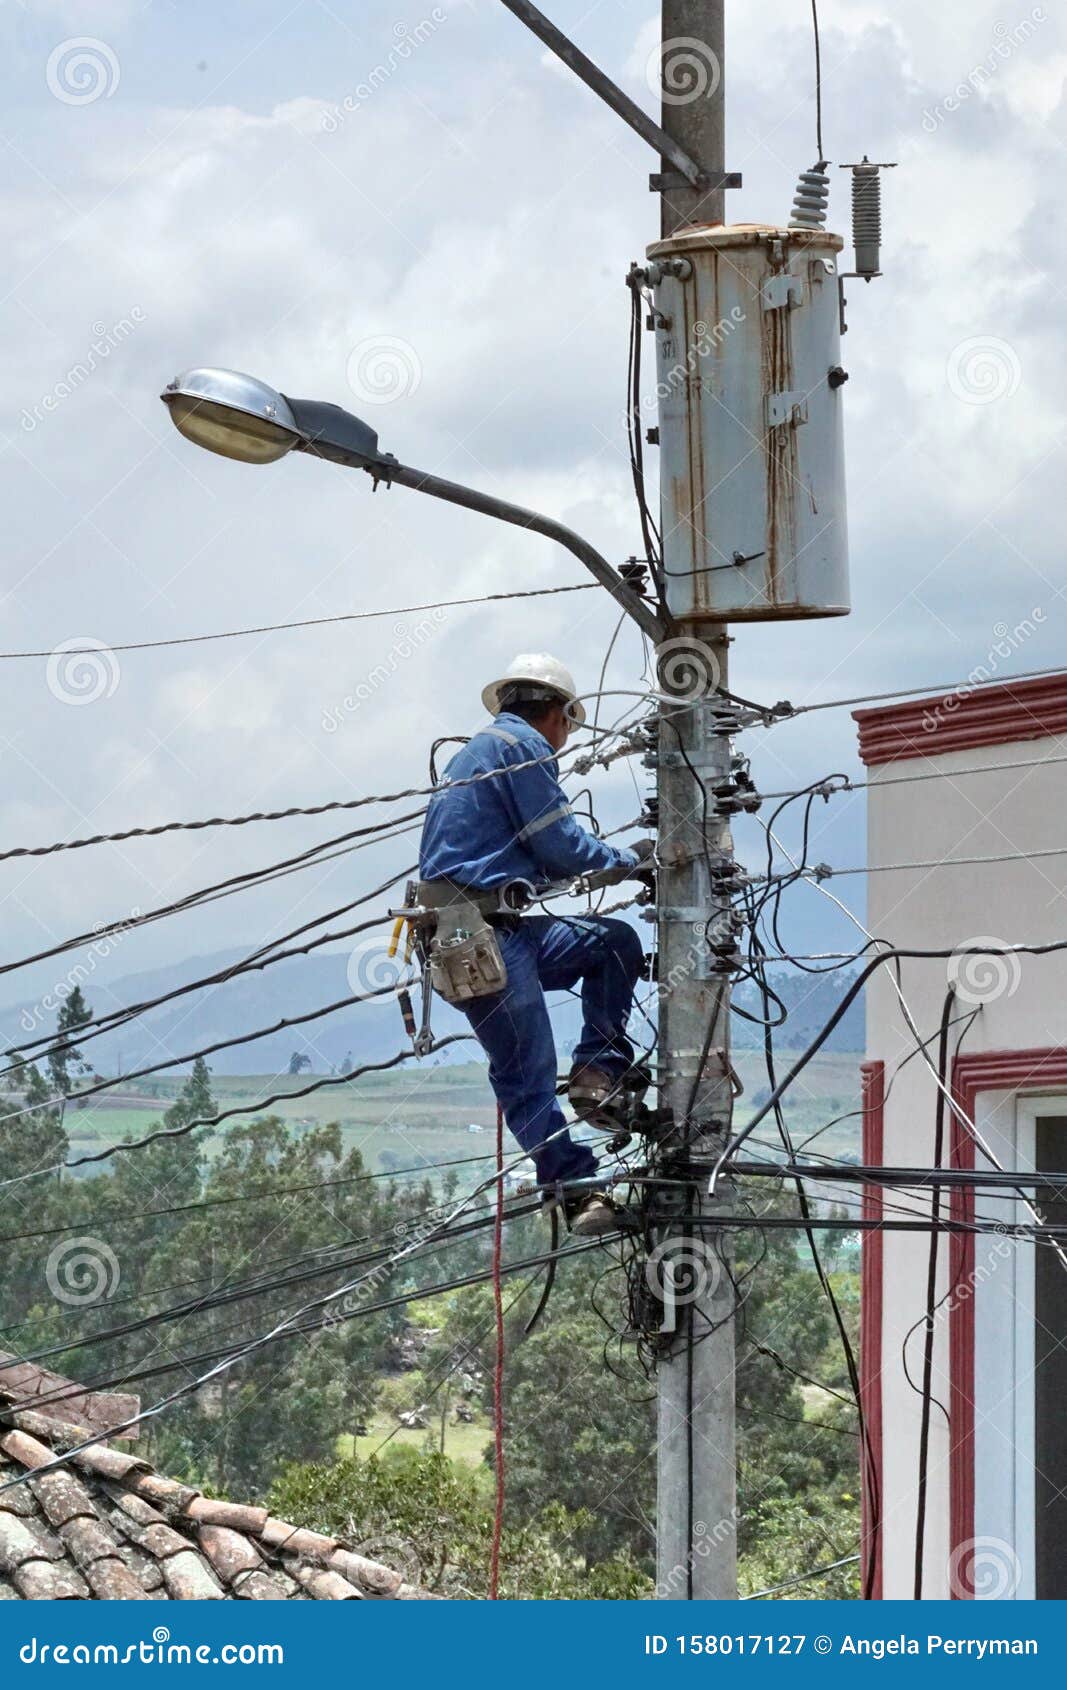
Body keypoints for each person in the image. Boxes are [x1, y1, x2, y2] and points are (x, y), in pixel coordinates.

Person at [418, 653, 653, 1236]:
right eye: (568, 727)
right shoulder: (521, 747)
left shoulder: (480, 753)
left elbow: (536, 863)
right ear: (556, 713)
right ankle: (576, 1190)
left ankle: (597, 1074)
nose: (564, 742)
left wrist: (596, 868)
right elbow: (562, 844)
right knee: (525, 1072)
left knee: (612, 943)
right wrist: (631, 861)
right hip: (478, 936)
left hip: (500, 928)